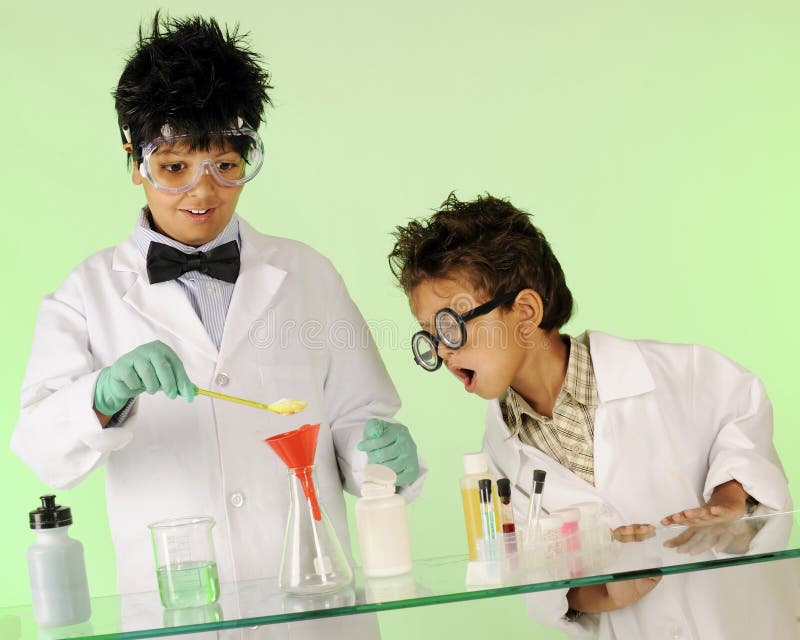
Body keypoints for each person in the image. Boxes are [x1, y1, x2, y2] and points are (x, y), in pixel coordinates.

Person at [12, 13, 424, 640]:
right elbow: (41, 450)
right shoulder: (85, 296)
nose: (203, 192)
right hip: (175, 618)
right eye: (174, 168)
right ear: (135, 163)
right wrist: (99, 397)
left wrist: (379, 453)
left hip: (314, 613)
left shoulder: (307, 274)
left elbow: (358, 419)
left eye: (226, 165)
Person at [388, 193, 798, 639]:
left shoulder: (685, 373)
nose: (443, 350)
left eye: (451, 324)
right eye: (430, 335)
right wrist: (609, 593)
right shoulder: (499, 457)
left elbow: (741, 422)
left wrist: (730, 505)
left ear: (525, 312)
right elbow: (544, 581)